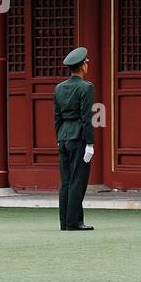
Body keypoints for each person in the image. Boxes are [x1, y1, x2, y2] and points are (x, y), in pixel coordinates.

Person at [54, 47, 95, 231]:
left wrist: (58, 137)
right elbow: (87, 118)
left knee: (66, 181)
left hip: (63, 135)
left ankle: (65, 221)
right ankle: (74, 222)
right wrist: (90, 143)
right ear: (83, 66)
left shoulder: (59, 87)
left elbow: (57, 116)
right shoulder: (86, 87)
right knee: (78, 180)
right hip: (78, 135)